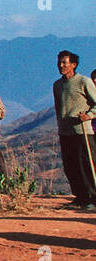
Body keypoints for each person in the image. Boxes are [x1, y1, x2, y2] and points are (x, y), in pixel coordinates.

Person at [53, 50, 96, 211]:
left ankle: (93, 198)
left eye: (64, 62)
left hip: (82, 130)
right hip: (65, 131)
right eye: (59, 62)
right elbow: (58, 107)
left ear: (73, 64)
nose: (61, 66)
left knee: (86, 165)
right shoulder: (57, 85)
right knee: (70, 166)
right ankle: (80, 197)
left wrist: (89, 115)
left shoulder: (84, 81)